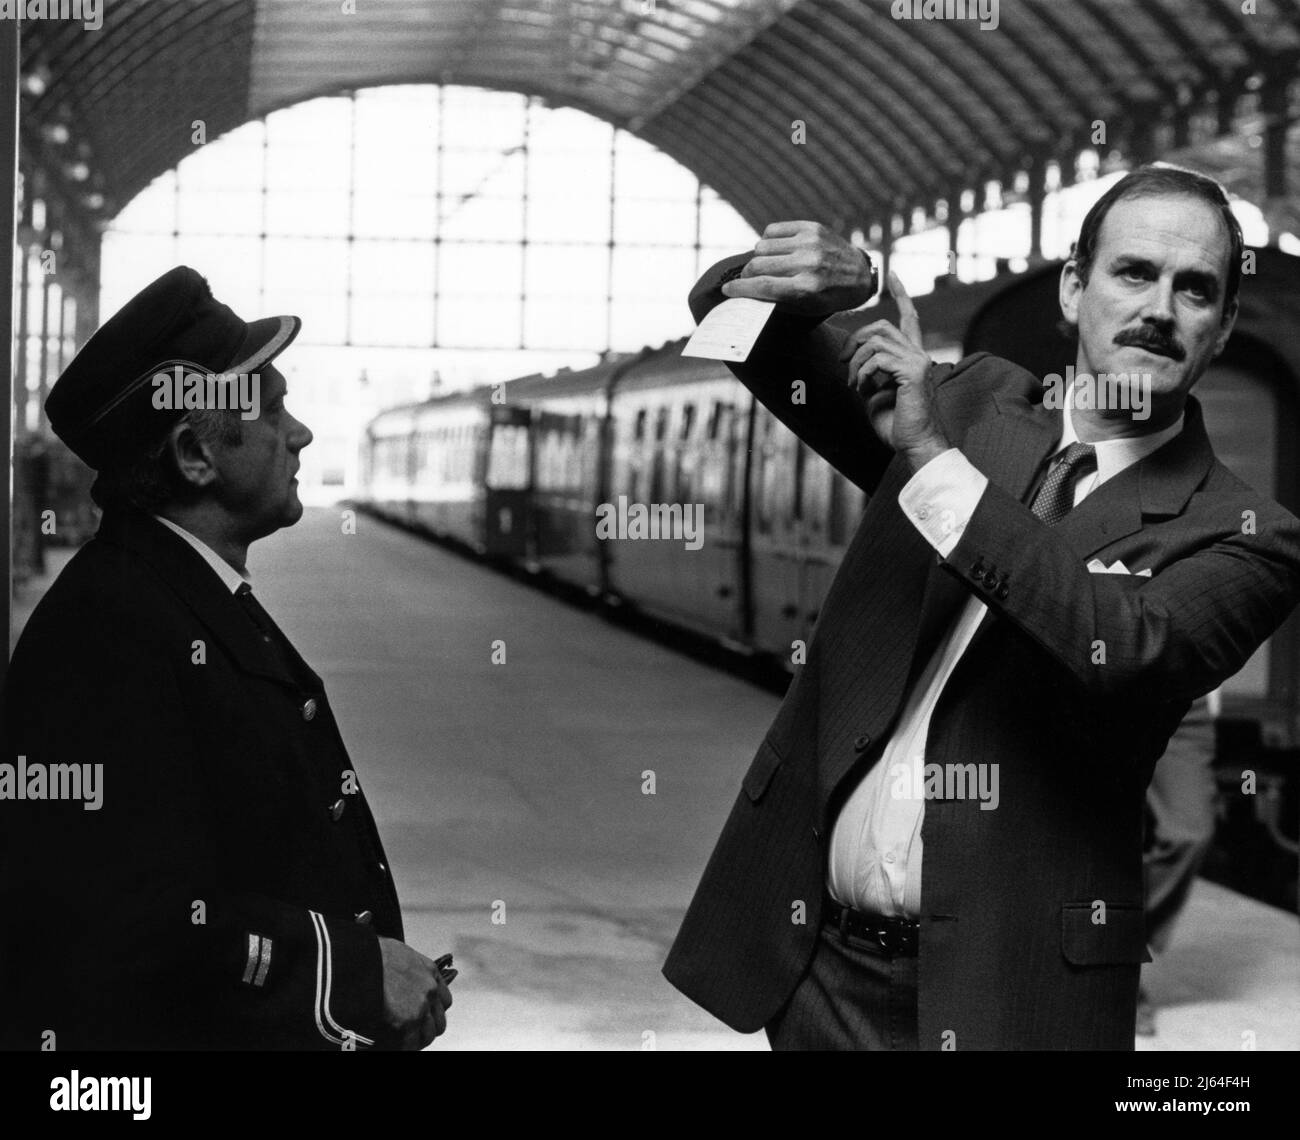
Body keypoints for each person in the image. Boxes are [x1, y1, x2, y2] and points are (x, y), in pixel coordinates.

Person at [662, 164, 1300, 1049]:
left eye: (1195, 289)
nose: (1159, 306)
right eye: (1132, 272)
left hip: (1015, 998)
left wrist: (929, 456)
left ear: (1223, 324)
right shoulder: (973, 404)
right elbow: (739, 331)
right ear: (1075, 289)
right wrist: (867, 284)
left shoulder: (1246, 533)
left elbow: (1125, 642)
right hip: (818, 976)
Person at [0, 267, 453, 1050]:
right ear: (194, 454)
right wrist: (349, 973)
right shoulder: (112, 634)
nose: (300, 433)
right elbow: (117, 912)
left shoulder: (173, 593)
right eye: (273, 408)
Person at [1138, 689, 1220, 1035]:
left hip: (1183, 695)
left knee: (1190, 831)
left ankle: (1117, 944)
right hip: (1094, 685)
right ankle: (1120, 976)